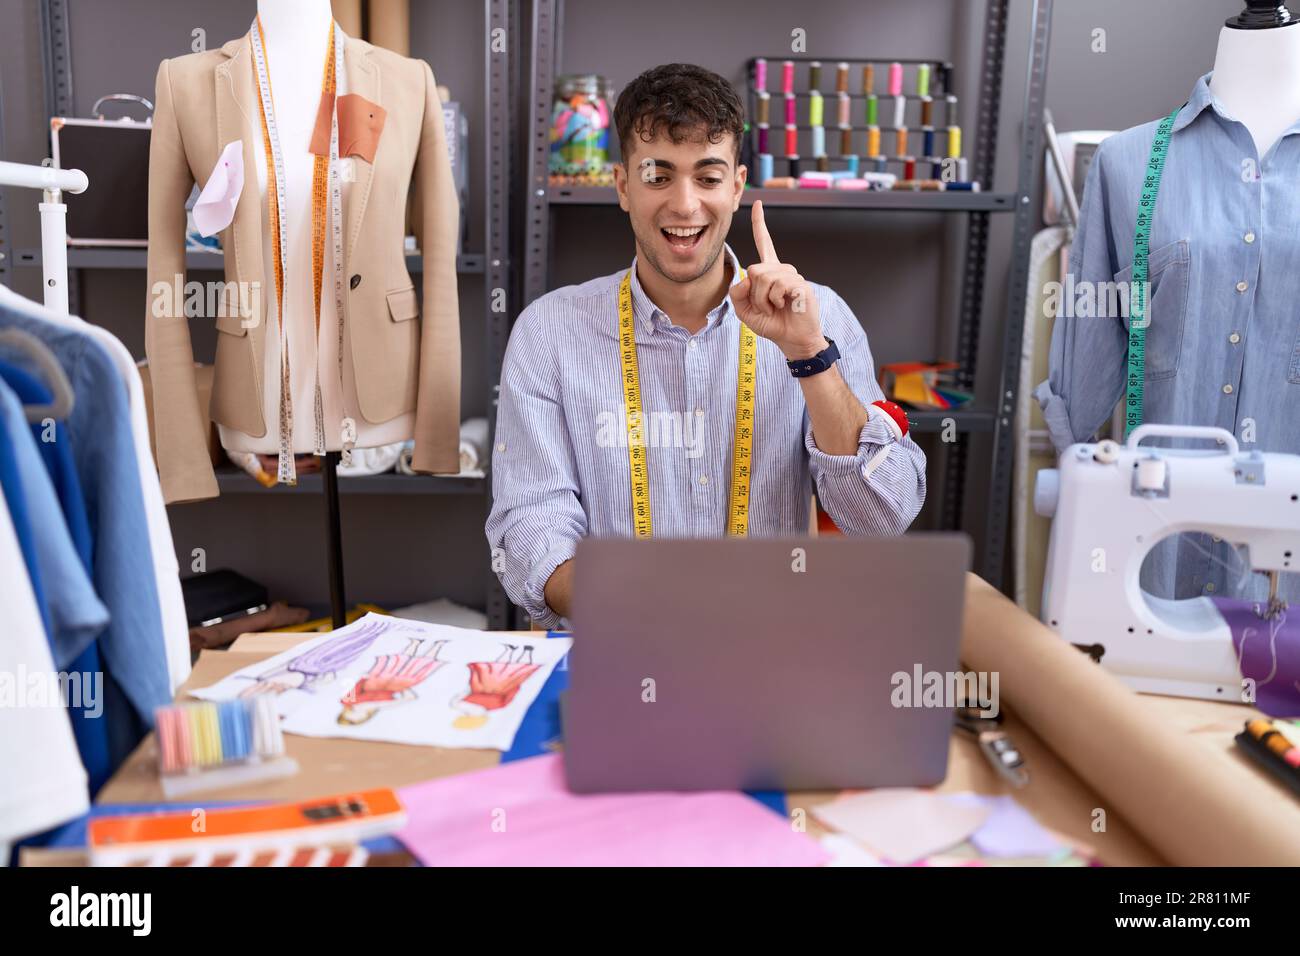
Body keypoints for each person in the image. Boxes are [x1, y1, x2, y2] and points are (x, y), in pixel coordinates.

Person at [487, 63, 926, 629]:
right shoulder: (547, 333)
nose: (686, 205)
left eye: (708, 177)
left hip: (767, 659)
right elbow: (531, 524)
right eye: (659, 175)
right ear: (623, 186)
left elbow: (881, 521)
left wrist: (809, 357)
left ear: (738, 187)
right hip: (612, 654)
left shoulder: (819, 317)